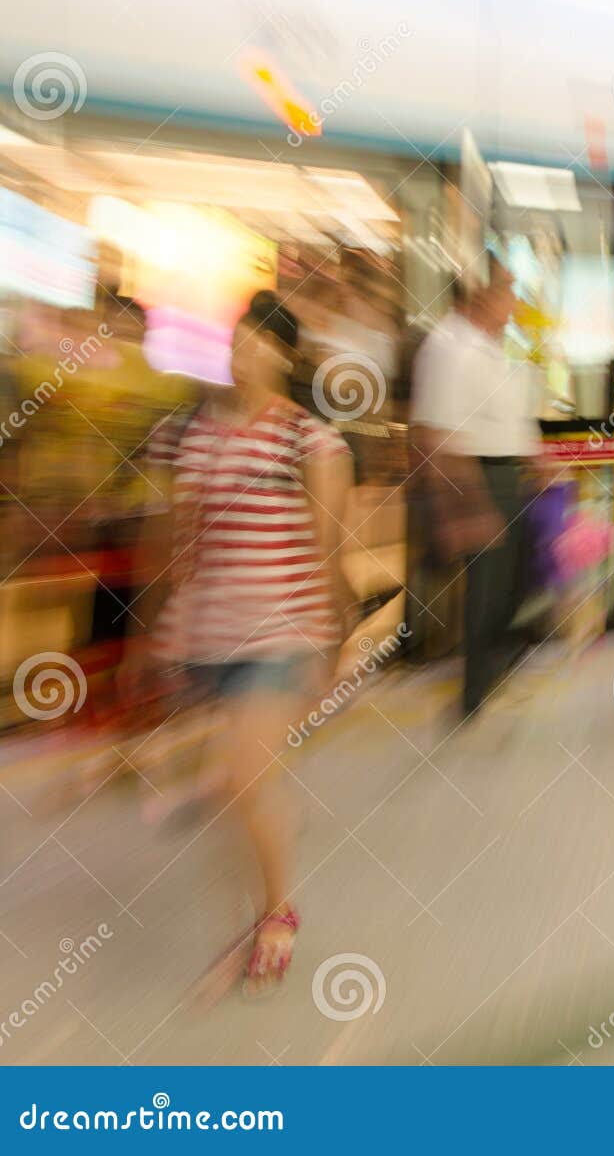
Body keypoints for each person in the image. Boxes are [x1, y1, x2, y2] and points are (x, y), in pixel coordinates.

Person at [128, 290, 354, 993]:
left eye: (260, 345)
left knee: (243, 781)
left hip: (281, 634)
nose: (244, 356)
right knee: (239, 790)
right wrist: (145, 635)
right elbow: (170, 539)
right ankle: (254, 890)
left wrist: (334, 643)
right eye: (236, 343)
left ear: (287, 357)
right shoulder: (185, 431)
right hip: (205, 634)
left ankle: (277, 912)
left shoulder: (310, 441)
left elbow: (328, 551)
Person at [409, 260, 540, 719]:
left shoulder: (491, 346)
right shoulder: (448, 346)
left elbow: (510, 419)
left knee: (515, 580)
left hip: (504, 476)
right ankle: (473, 694)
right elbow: (435, 433)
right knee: (489, 590)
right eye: (507, 289)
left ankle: (490, 668)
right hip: (475, 478)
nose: (514, 300)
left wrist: (539, 461)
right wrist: (469, 504)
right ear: (481, 294)